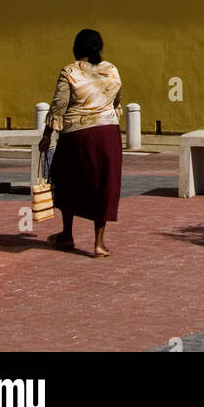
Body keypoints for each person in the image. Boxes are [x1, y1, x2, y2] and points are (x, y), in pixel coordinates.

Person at [38, 29, 122, 258]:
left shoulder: (70, 71)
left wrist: (47, 135)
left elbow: (58, 105)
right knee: (104, 184)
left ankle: (67, 233)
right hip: (108, 134)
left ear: (77, 48)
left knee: (67, 180)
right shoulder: (111, 70)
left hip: (78, 135)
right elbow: (117, 101)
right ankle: (99, 243)